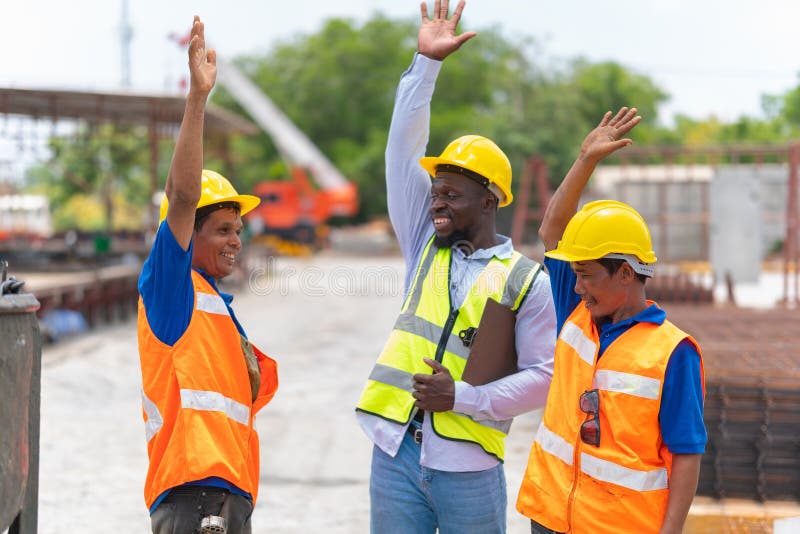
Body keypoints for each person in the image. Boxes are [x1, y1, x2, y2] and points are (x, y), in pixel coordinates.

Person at [355, 1, 557, 532]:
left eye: (451, 195)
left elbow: (544, 376)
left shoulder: (525, 279)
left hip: (469, 469)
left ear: (490, 202)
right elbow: (402, 152)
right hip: (395, 455)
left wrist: (464, 398)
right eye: (434, 192)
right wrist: (425, 66)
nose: (436, 203)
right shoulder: (424, 242)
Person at [516, 108, 707, 534]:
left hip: (618, 526)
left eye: (586, 274)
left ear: (625, 272)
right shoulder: (578, 311)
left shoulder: (673, 353)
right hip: (549, 515)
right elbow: (552, 233)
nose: (576, 285)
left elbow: (687, 452)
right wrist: (585, 161)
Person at [136, 16, 278, 534]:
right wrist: (197, 100)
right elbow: (182, 197)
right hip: (194, 496)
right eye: (221, 229)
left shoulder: (214, 304)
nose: (235, 240)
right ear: (187, 236)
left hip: (222, 496)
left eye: (238, 229)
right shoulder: (170, 291)